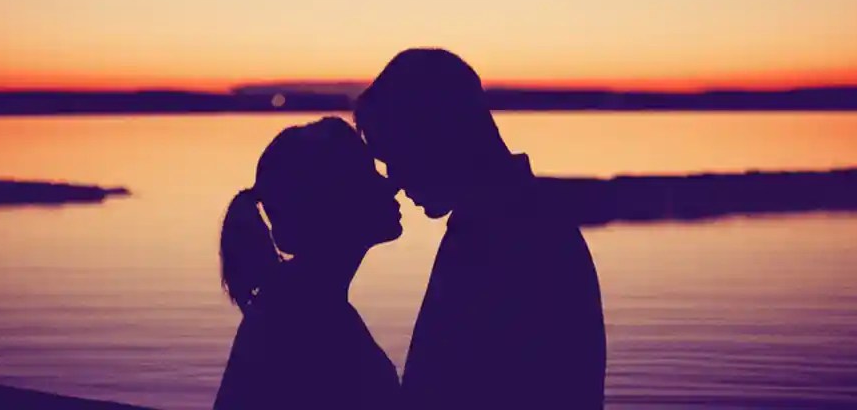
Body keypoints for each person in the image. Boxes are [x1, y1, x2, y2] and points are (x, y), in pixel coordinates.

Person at [355, 48, 607, 410]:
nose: (394, 180)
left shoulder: (510, 239)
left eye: (393, 155)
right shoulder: (510, 222)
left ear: (434, 135)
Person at [213, 117, 403, 410]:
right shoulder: (305, 316)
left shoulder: (297, 299)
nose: (391, 185)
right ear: (335, 202)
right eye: (368, 175)